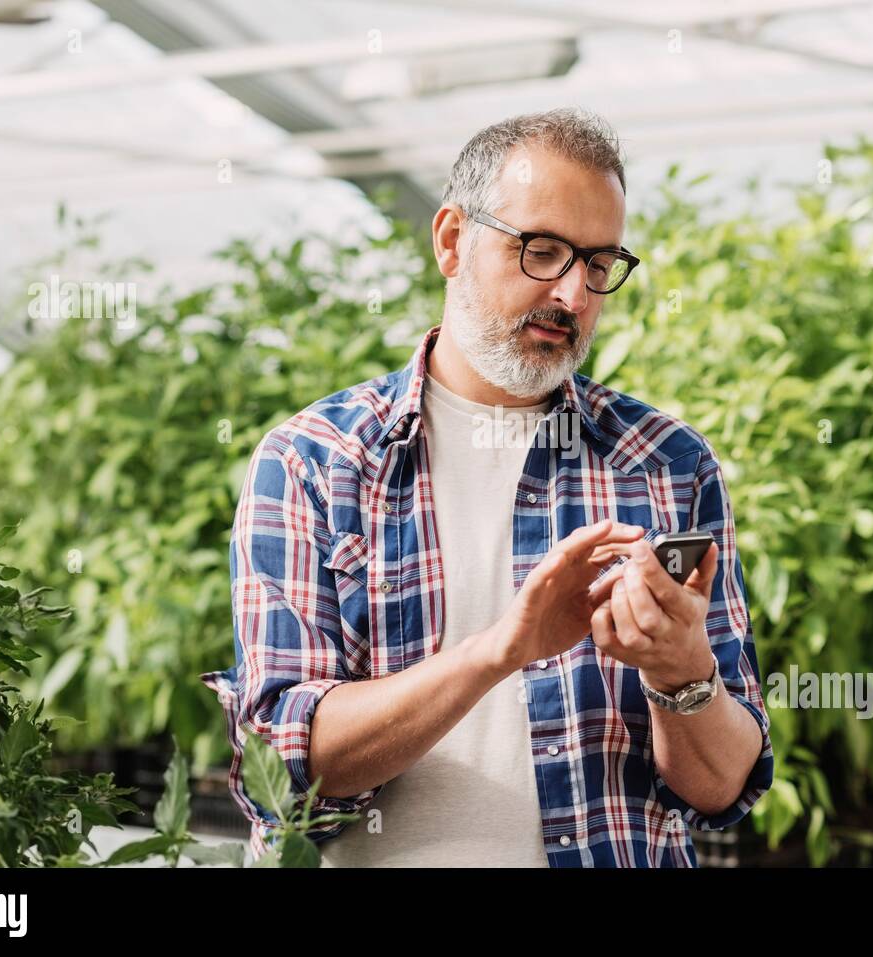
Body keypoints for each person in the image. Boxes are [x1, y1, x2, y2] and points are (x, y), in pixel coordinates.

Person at [201, 107, 772, 867]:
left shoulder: (666, 463)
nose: (573, 294)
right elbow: (283, 765)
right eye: (542, 251)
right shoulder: (316, 461)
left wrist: (679, 670)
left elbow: (722, 788)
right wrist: (500, 649)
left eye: (599, 264)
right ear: (450, 240)